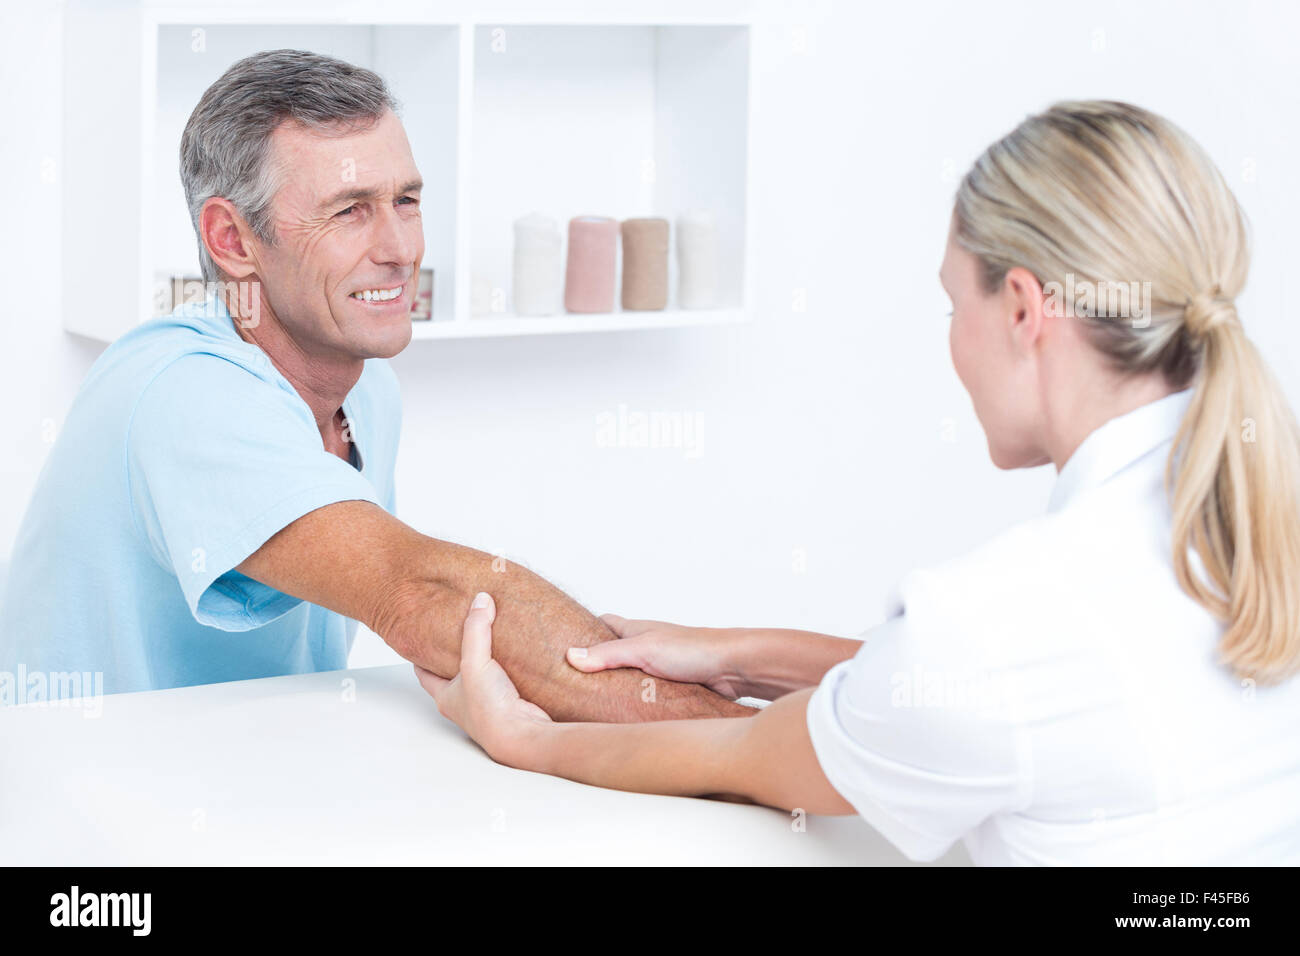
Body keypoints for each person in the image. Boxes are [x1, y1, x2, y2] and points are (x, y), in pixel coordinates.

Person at [419, 101, 1300, 864]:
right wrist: (736, 651)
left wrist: (527, 740)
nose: (953, 343)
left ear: (1026, 310)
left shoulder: (1004, 620)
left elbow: (751, 758)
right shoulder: (1246, 523)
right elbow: (993, 701)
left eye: (956, 307)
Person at [0, 49, 745, 722]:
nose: (399, 250)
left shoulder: (366, 390)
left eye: (406, 200)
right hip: (75, 797)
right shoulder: (184, 395)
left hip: (240, 768)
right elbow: (423, 594)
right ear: (234, 241)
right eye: (350, 211)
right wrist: (758, 748)